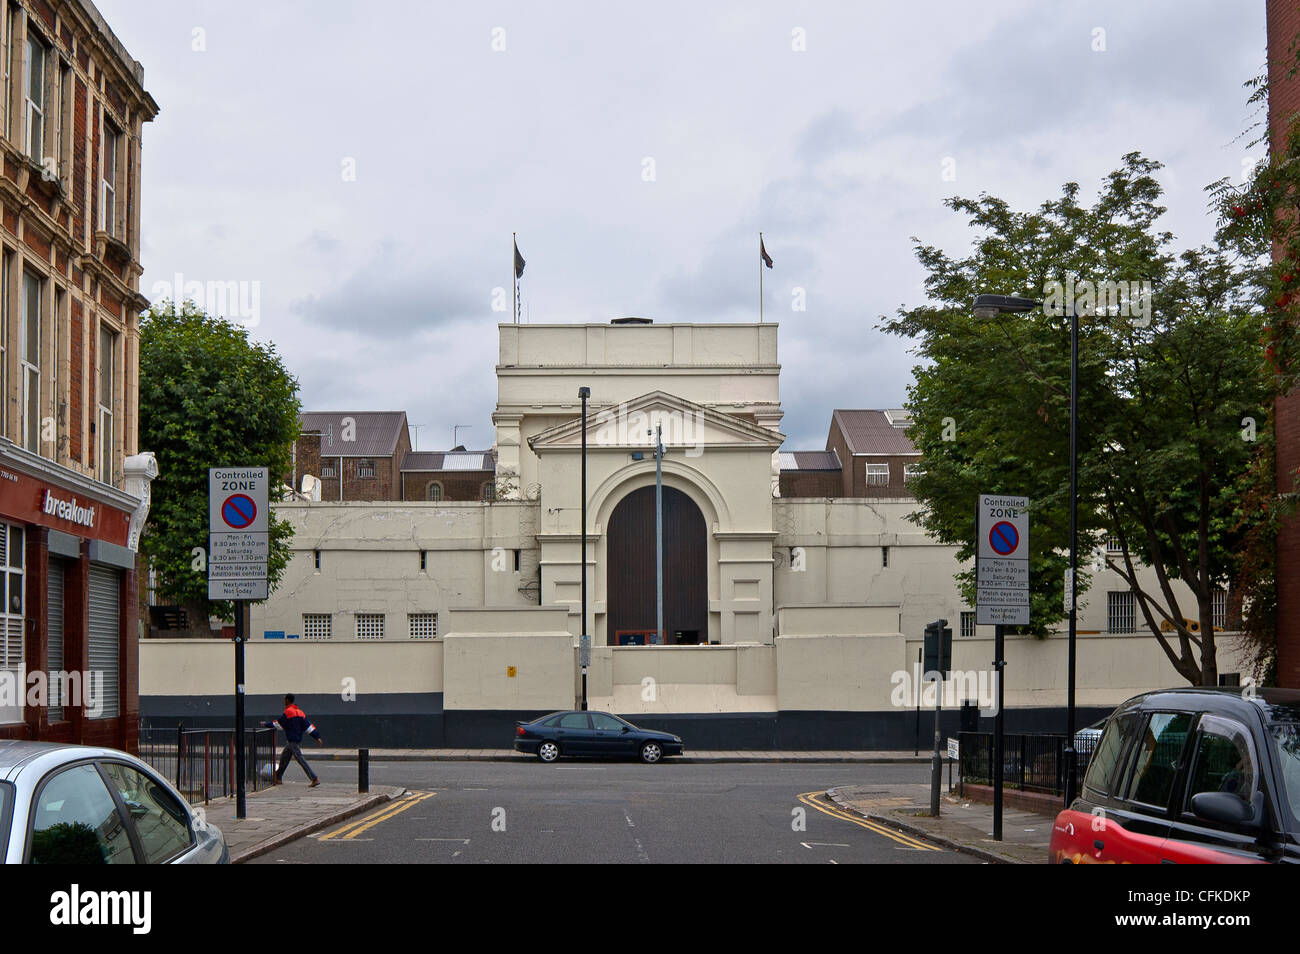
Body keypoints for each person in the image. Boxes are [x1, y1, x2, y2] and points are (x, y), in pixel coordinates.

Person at [261, 694, 324, 787]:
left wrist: (266, 724)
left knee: (300, 760)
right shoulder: (300, 712)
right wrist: (317, 737)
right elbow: (308, 726)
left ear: (287, 700)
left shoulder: (288, 712)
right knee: (284, 758)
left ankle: (314, 778)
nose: (283, 701)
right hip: (295, 740)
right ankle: (278, 777)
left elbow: (278, 724)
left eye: (284, 699)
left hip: (292, 740)